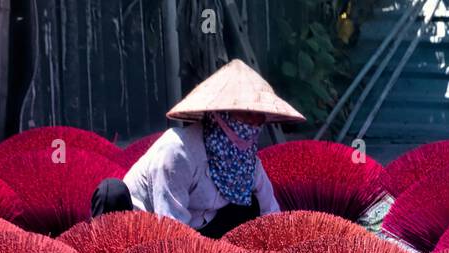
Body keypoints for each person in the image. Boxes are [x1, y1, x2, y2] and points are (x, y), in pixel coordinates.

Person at [91, 59, 305, 237]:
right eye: (247, 113)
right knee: (111, 191)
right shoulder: (177, 152)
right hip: (144, 234)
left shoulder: (248, 164)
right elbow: (171, 230)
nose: (256, 123)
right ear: (221, 114)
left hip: (199, 233)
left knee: (250, 206)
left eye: (260, 116)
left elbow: (272, 216)